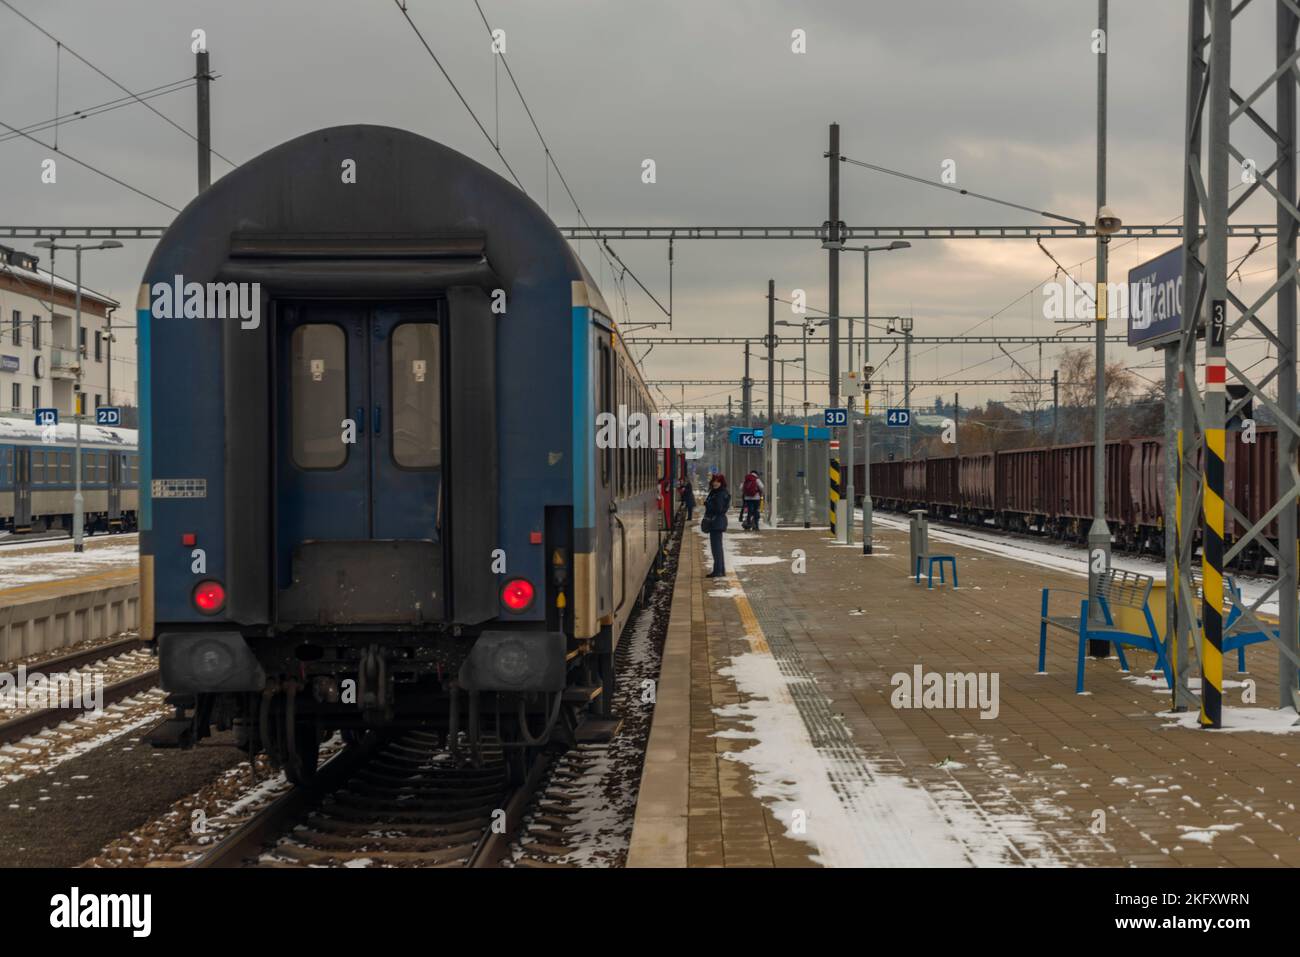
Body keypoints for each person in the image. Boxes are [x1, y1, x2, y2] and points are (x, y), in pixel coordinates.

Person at [702, 473, 730, 578]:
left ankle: (718, 570)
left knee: (716, 548)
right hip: (716, 522)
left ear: (721, 482)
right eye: (714, 480)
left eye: (718, 481)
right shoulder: (716, 492)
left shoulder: (720, 493)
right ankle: (719, 570)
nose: (715, 483)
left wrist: (708, 504)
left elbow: (719, 509)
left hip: (717, 522)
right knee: (716, 547)